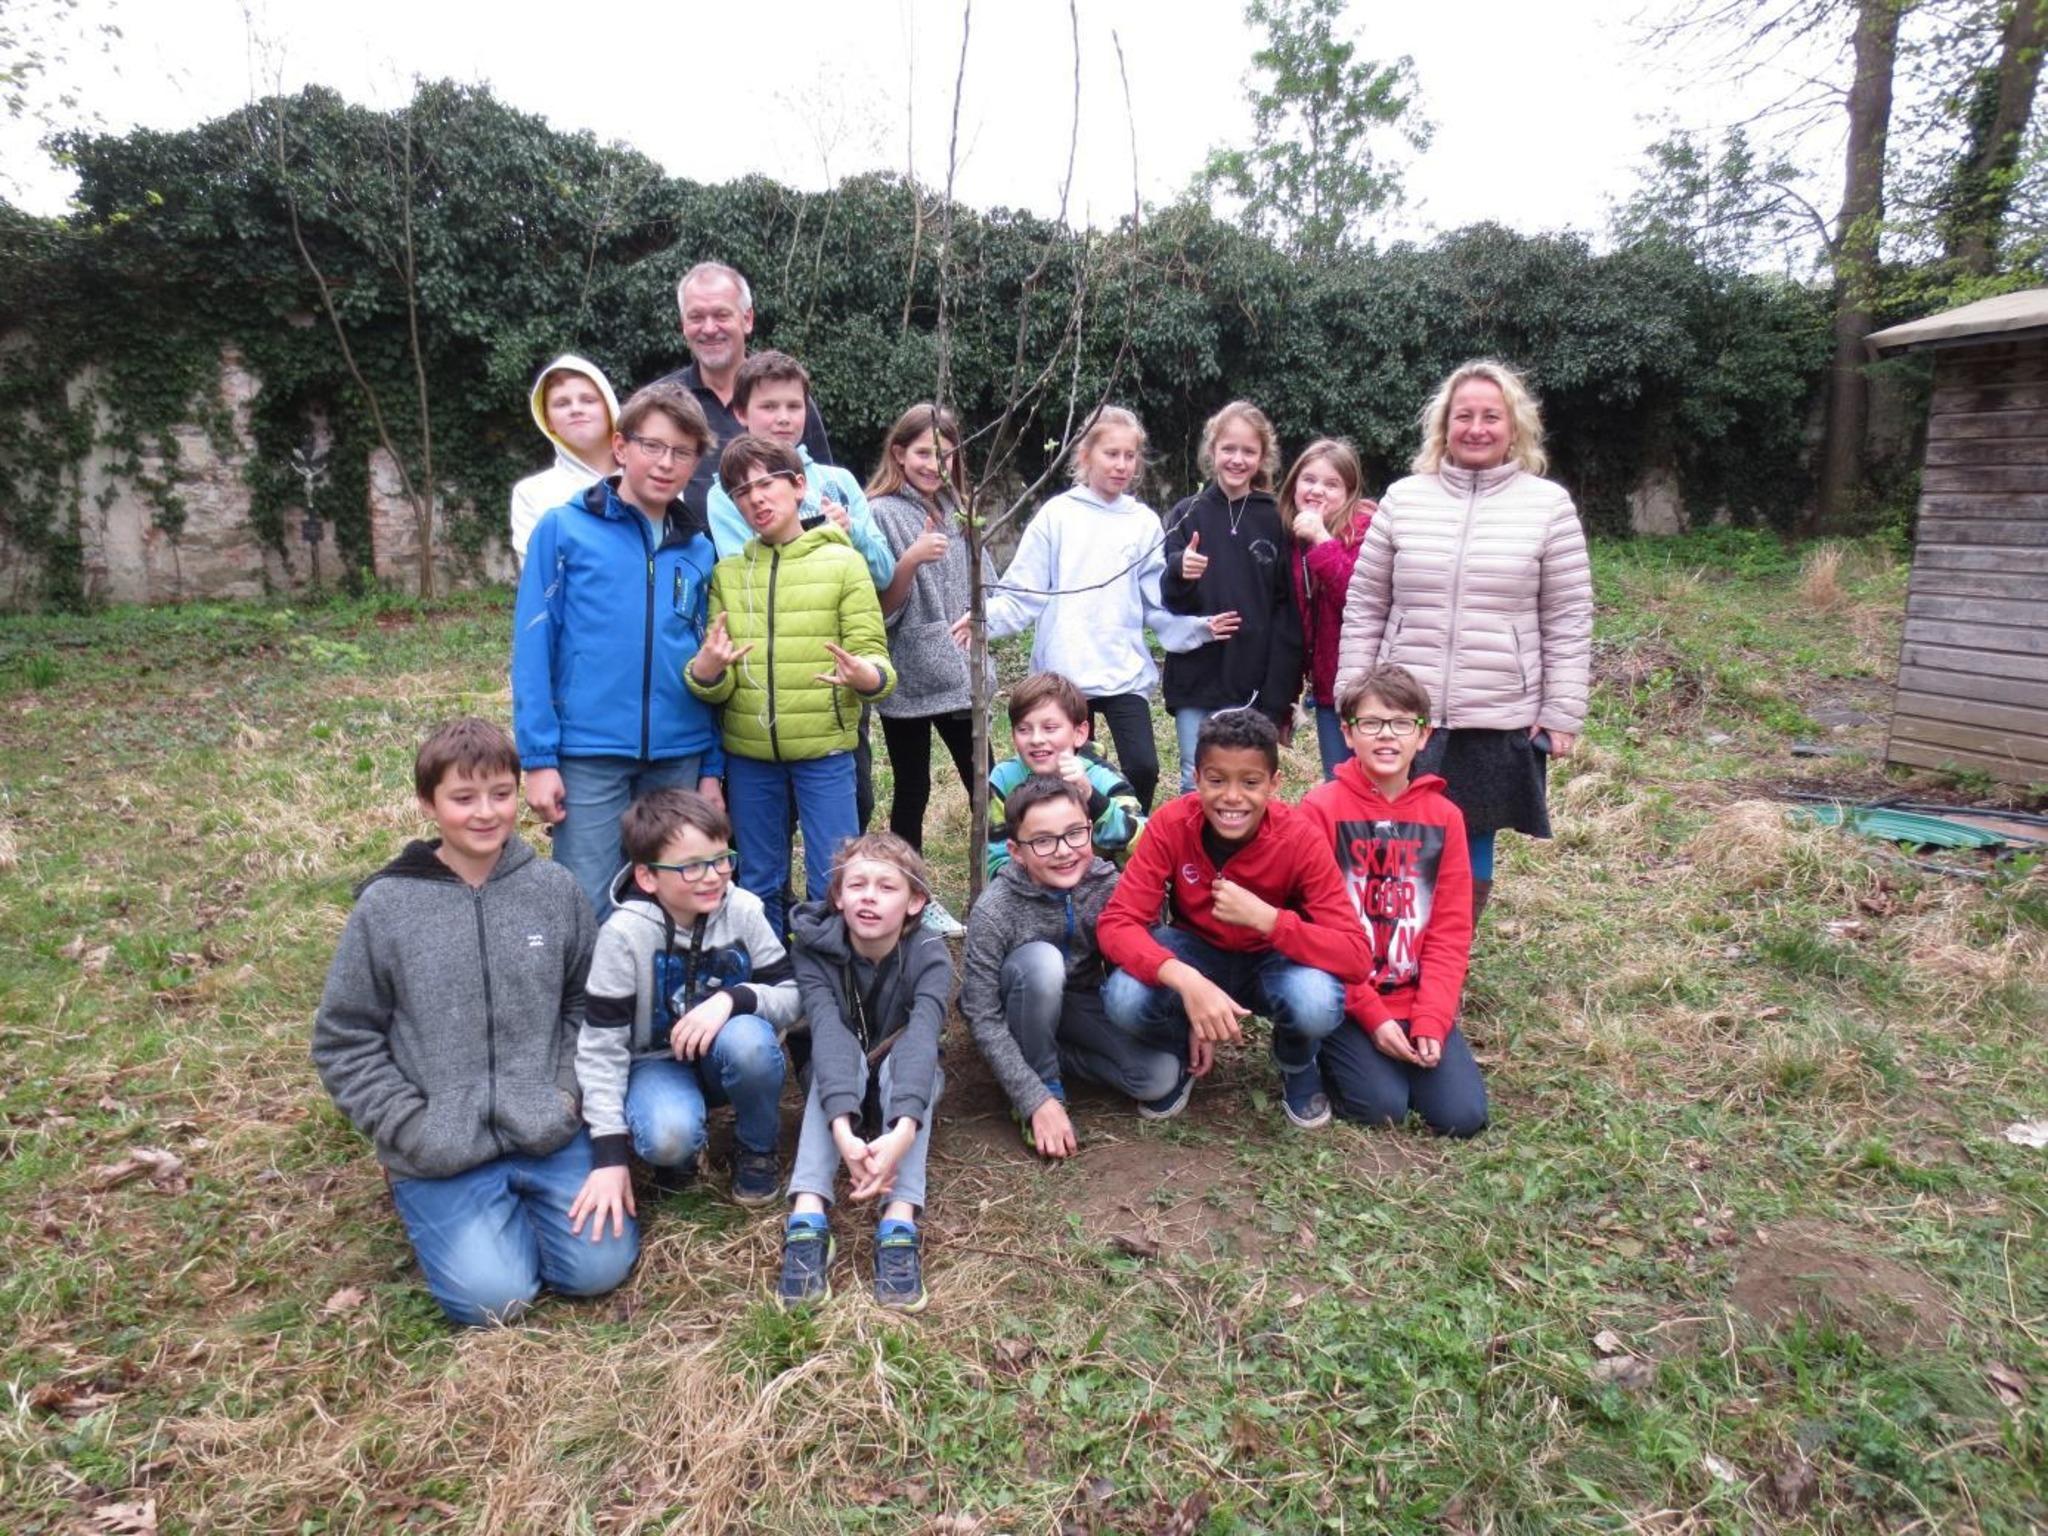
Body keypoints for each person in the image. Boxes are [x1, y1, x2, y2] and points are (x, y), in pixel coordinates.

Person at [312, 719, 637, 1327]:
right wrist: (406, 1124)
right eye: (462, 798)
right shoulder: (386, 907)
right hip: (440, 1146)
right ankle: (443, 1206)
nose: (485, 813)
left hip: (547, 1128)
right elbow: (344, 1038)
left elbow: (587, 1006)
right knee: (495, 1300)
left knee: (599, 1271)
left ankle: (517, 1212)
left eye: (501, 794)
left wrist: (567, 1094)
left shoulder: (553, 889)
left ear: (520, 793)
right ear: (427, 804)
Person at [1336, 359, 1594, 926]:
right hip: (1403, 709)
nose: (1477, 428)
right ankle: (1385, 957)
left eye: (1491, 417)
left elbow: (1568, 615)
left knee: (1470, 844)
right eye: (1464, 416)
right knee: (1391, 837)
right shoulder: (1405, 499)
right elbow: (1366, 605)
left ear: (1514, 426)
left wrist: (1562, 710)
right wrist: (1353, 698)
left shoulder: (1547, 506)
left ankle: (1446, 966)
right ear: (1443, 425)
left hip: (1496, 710)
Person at [1096, 710, 1373, 1129]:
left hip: (1274, 959)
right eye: (1216, 779)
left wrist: (1270, 921)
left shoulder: (1299, 839)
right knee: (1123, 997)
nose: (1231, 797)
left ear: (1273, 784)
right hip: (1196, 954)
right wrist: (1185, 981)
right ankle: (1179, 1045)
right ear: (1197, 777)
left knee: (1315, 1001)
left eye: (1250, 782)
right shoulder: (1171, 824)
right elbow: (1117, 924)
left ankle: (1297, 1060)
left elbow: (1355, 955)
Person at [512, 381, 725, 921]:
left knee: (677, 898)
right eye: (652, 446)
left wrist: (711, 767)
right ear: (620, 446)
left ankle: (667, 1004)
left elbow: (711, 663)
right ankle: (589, 1007)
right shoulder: (563, 530)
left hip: (679, 755)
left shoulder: (698, 549)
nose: (665, 463)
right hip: (589, 754)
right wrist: (539, 759)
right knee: (587, 901)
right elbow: (534, 648)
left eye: (681, 452)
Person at [687, 434, 894, 936]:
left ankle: (833, 985)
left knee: (833, 876)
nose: (755, 498)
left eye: (765, 483)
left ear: (798, 485)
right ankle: (769, 984)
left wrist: (864, 676)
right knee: (758, 878)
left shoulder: (843, 563)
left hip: (825, 750)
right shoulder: (728, 575)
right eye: (740, 490)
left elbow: (877, 663)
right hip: (749, 755)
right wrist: (707, 670)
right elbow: (715, 681)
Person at [566, 789, 798, 1229]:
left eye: (721, 859)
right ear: (648, 877)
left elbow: (791, 993)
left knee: (749, 1041)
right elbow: (601, 1048)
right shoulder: (623, 936)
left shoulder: (744, 909)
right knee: (668, 1135)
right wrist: (609, 1149)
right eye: (691, 866)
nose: (712, 876)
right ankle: (679, 1154)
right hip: (655, 1063)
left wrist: (733, 999)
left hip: (723, 1054)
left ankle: (756, 1147)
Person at [980, 405, 1230, 812]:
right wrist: (981, 622)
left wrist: (1197, 628)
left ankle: (1126, 841)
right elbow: (1023, 591)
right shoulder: (1057, 516)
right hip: (1064, 675)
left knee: (1143, 767)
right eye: (1111, 454)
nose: (1122, 465)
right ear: (1085, 456)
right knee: (1067, 770)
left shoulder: (1143, 521)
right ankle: (1076, 846)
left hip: (1122, 671)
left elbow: (1156, 601)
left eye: (1129, 456)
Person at [706, 350, 895, 835]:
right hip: (765, 684)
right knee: (767, 826)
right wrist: (815, 531)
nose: (783, 417)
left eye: (794, 405)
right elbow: (747, 564)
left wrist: (847, 533)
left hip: (832, 678)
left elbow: (882, 572)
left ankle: (830, 907)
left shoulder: (839, 481)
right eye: (769, 406)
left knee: (854, 804)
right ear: (741, 414)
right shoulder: (726, 490)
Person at [1299, 666, 1487, 1137]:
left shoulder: (1445, 818)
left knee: (1462, 1117)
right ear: (1347, 732)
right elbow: (1316, 929)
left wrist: (1431, 1017)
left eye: (1403, 723)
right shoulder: (1320, 810)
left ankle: (1413, 1043)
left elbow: (1449, 930)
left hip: (1414, 995)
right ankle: (1314, 1052)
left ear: (1423, 736)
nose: (1387, 736)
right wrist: (1373, 1016)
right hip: (1348, 997)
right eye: (1372, 723)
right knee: (1381, 1109)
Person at [962, 777, 1183, 1160]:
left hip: (1079, 1002)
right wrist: (1035, 1097)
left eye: (1075, 834)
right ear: (1016, 851)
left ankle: (1046, 1054)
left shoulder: (1107, 883)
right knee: (1043, 962)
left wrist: (1188, 1015)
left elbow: (1149, 952)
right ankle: (1043, 1083)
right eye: (1043, 841)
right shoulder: (994, 909)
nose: (1064, 851)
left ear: (1090, 831)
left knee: (1158, 1076)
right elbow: (980, 1013)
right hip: (1019, 1002)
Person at [778, 834, 952, 1311]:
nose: (869, 896)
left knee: (912, 1063)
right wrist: (842, 1132)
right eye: (856, 885)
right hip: (836, 1081)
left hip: (904, 1086)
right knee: (843, 1054)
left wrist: (900, 1133)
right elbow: (828, 1035)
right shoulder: (814, 950)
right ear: (837, 897)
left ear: (916, 902)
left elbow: (922, 1038)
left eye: (886, 887)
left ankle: (898, 1223)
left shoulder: (931, 953)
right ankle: (808, 1218)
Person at [866, 404, 990, 934]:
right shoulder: (880, 513)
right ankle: (915, 899)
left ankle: (996, 887)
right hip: (910, 676)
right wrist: (912, 557)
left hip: (963, 674)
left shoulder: (962, 509)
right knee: (912, 788)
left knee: (985, 783)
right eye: (921, 453)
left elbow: (988, 581)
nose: (934, 464)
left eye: (944, 453)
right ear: (898, 453)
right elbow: (881, 606)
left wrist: (979, 613)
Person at [1161, 401, 1304, 794]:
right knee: (1196, 773)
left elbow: (1285, 611)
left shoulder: (1276, 518)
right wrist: (1180, 572)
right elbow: (1169, 604)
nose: (1237, 459)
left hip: (1252, 681)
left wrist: (1278, 695)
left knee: (1246, 781)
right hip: (1195, 676)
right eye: (1229, 449)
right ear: (1212, 451)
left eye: (1248, 451)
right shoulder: (1186, 513)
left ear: (1263, 457)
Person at [658, 262, 834, 518]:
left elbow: (823, 487)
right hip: (686, 556)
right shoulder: (661, 403)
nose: (709, 328)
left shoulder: (790, 402)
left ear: (747, 319)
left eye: (721, 315)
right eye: (696, 317)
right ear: (683, 324)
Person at [983, 671, 1144, 877]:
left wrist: (1093, 798)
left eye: (1050, 728)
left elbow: (1141, 845)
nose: (1036, 739)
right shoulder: (1004, 778)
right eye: (1024, 729)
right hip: (1032, 893)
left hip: (1100, 890)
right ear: (1013, 737)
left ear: (1079, 733)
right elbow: (996, 859)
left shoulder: (1103, 777)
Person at [1281, 438, 1375, 779]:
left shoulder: (1367, 531)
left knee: (1375, 782)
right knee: (1339, 783)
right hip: (1325, 687)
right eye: (1309, 480)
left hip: (1368, 688)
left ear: (1349, 492)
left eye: (1332, 484)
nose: (1317, 490)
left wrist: (1322, 540)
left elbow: (1357, 598)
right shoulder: (1288, 538)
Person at [508, 354, 619, 567]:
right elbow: (539, 579)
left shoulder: (652, 476)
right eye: (562, 403)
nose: (576, 409)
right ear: (547, 420)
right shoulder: (531, 493)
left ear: (608, 407)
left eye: (588, 400)